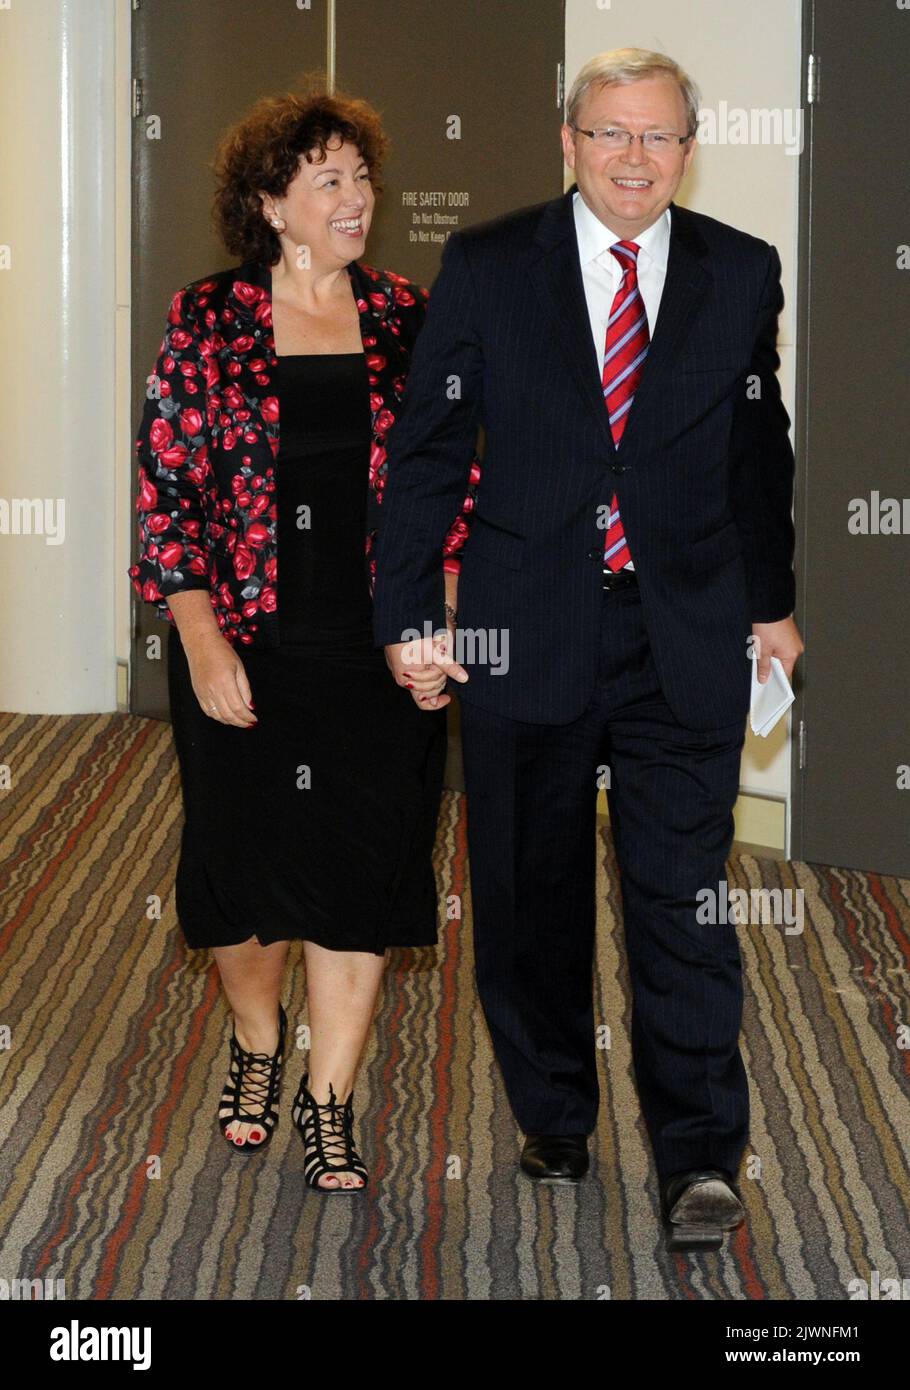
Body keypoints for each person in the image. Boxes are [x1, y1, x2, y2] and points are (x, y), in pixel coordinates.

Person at [372, 48, 804, 1248]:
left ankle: (698, 1155)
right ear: (569, 143)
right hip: (524, 628)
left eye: (657, 136)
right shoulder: (488, 264)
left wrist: (770, 601)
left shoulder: (739, 270)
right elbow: (427, 452)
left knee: (684, 902)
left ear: (687, 151)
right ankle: (555, 1109)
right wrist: (409, 612)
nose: (633, 157)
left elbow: (754, 452)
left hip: (684, 630)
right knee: (528, 895)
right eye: (610, 132)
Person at [129, 88, 473, 1191]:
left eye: (362, 177)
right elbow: (167, 491)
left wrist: (436, 613)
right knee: (238, 875)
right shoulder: (207, 318)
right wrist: (199, 638)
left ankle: (330, 1099)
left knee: (360, 872)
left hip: (373, 649)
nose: (356, 197)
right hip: (244, 641)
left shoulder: (409, 317)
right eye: (329, 180)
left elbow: (455, 484)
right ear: (271, 205)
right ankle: (256, 1038)